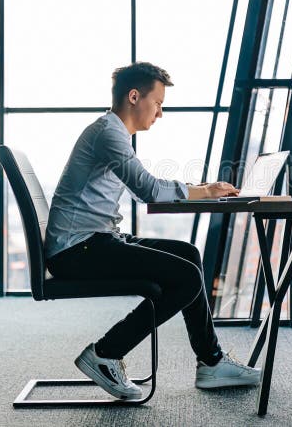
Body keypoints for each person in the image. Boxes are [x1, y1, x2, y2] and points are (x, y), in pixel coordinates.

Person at [44, 62, 261, 400]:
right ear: (134, 96)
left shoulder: (112, 133)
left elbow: (142, 186)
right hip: (78, 251)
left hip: (93, 241)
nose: (160, 113)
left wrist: (201, 187)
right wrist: (203, 192)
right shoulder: (108, 133)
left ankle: (211, 361)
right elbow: (147, 189)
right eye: (158, 103)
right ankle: (106, 353)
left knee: (188, 254)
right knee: (187, 277)